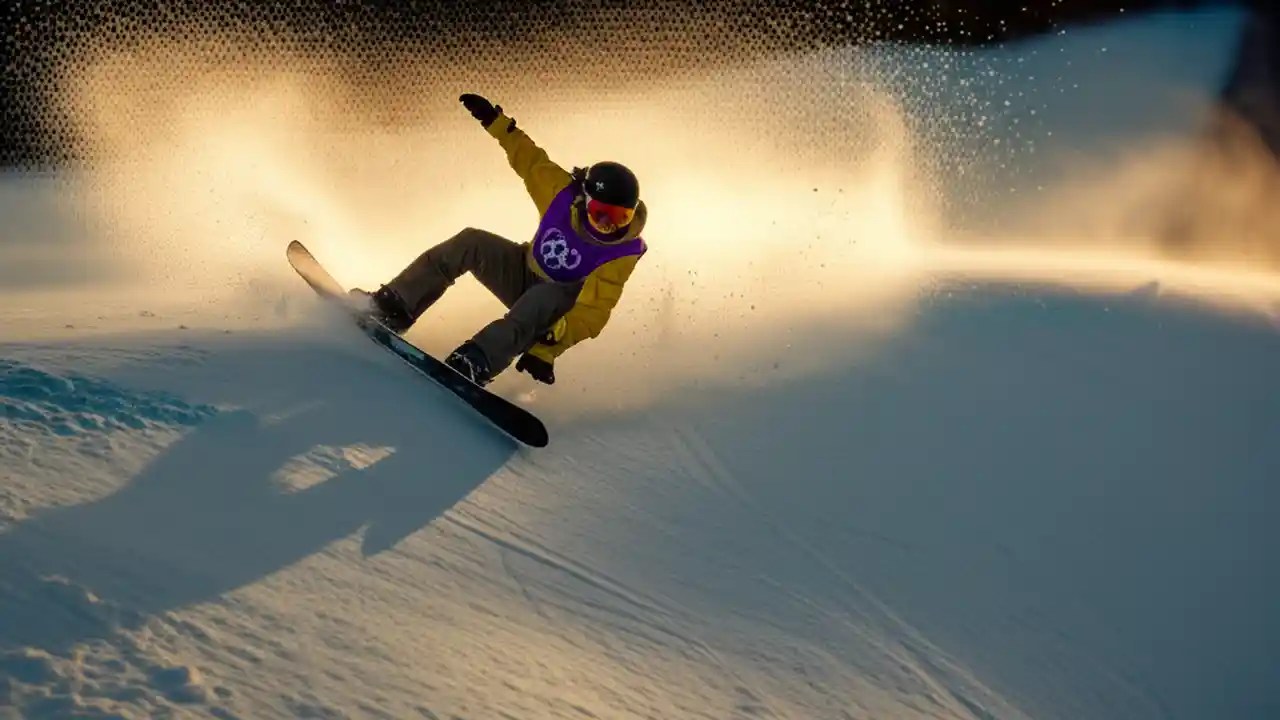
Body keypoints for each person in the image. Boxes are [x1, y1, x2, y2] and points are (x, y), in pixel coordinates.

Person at [351, 93, 648, 388]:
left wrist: (547, 349)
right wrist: (494, 121)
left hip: (554, 309)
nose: (609, 226)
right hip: (522, 269)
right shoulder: (560, 194)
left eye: (621, 217)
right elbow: (528, 158)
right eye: (601, 214)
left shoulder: (622, 251)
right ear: (585, 200)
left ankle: (476, 360)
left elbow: (593, 312)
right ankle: (394, 306)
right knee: (470, 242)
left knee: (544, 298)